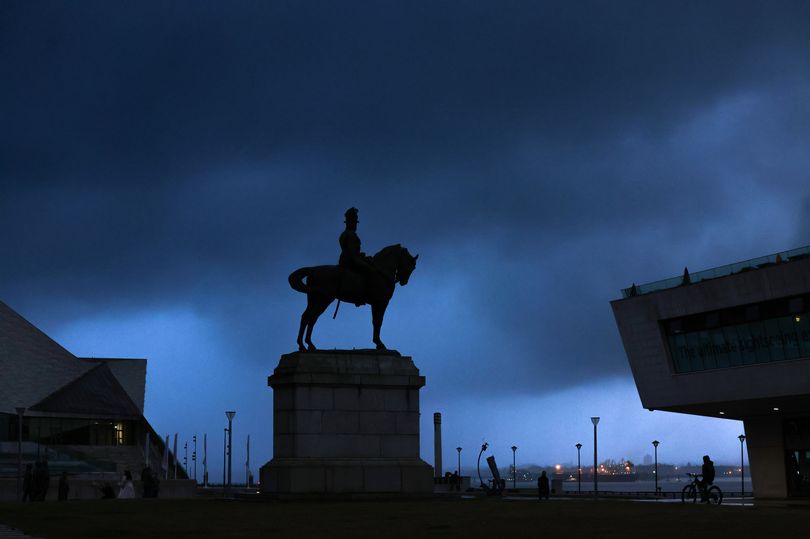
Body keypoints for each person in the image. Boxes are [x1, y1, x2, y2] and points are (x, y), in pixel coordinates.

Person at [338, 207, 374, 305]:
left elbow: (354, 252)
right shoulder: (350, 235)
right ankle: (360, 297)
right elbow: (352, 254)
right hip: (350, 261)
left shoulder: (347, 234)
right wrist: (362, 261)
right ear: (349, 222)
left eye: (356, 222)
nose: (355, 225)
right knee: (370, 270)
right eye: (354, 222)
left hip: (347, 258)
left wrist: (364, 257)